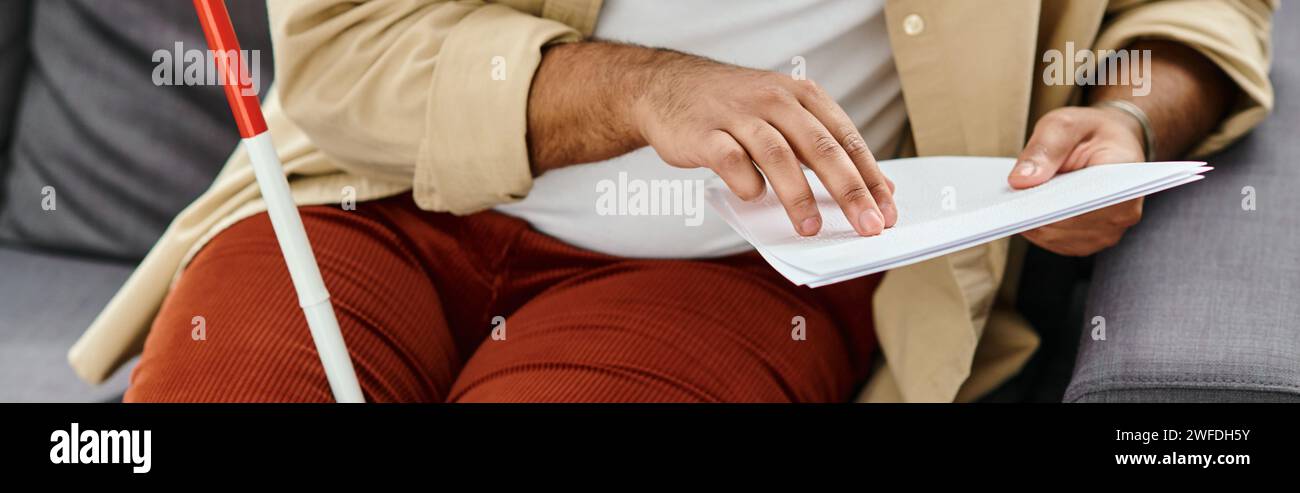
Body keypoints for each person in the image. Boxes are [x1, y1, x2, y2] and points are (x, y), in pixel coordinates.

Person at [70, 0, 1275, 402]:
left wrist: (1122, 123)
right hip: (371, 199)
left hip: (743, 273)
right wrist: (638, 89)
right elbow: (339, 48)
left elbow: (1192, 13)